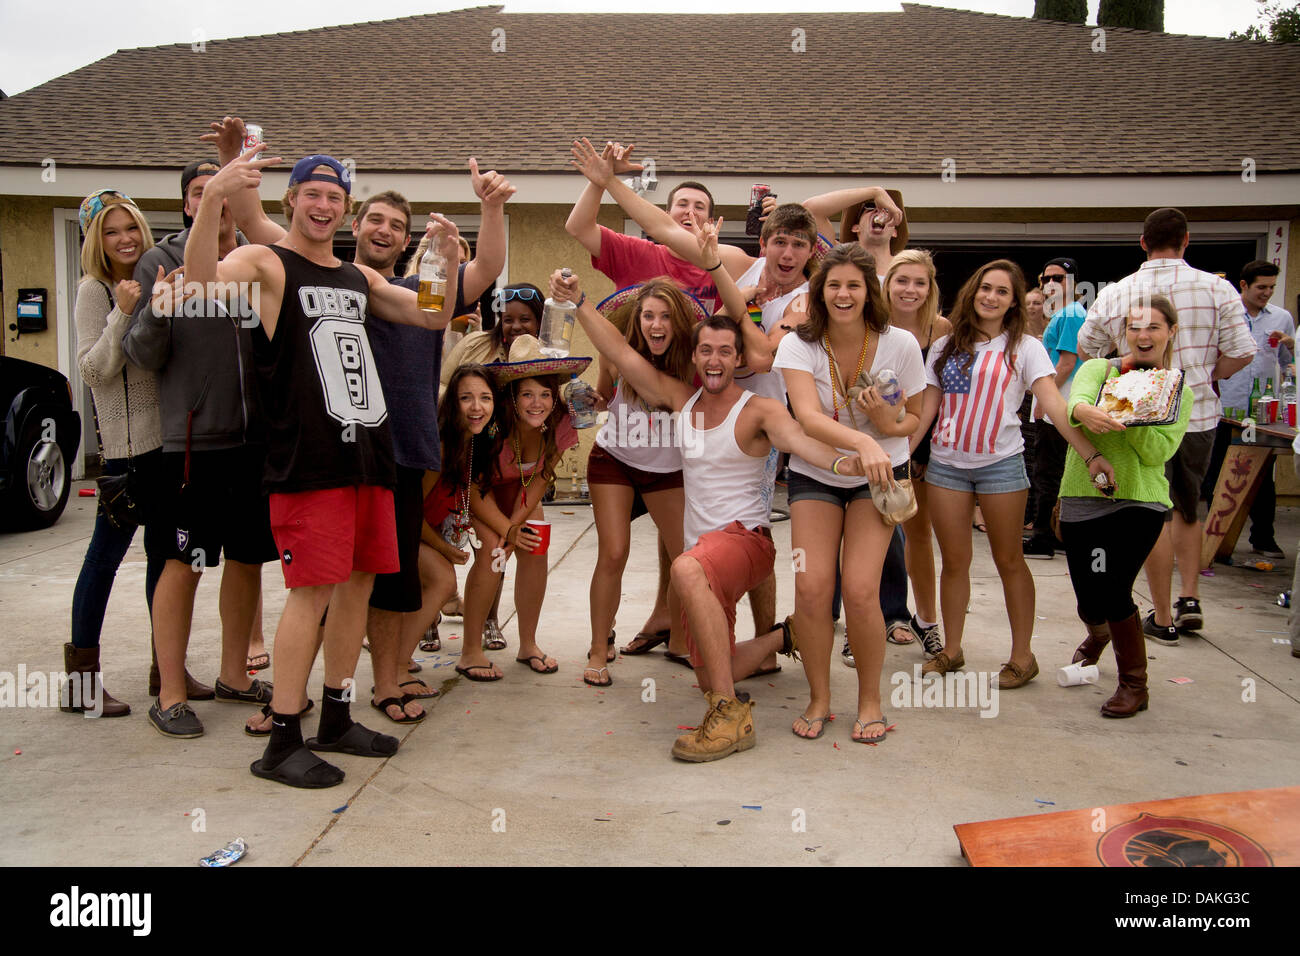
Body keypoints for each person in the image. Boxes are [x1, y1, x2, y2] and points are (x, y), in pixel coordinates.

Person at [185, 145, 460, 788]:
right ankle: (283, 737)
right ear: (292, 200)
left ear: (345, 209)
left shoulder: (356, 278)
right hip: (307, 462)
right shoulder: (267, 263)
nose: (323, 204)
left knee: (359, 586)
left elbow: (431, 313)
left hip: (369, 455)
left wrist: (443, 259)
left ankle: (337, 713)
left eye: (335, 196)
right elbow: (198, 284)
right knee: (310, 595)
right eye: (313, 192)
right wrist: (219, 195)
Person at [560, 265, 883, 760]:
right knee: (713, 670)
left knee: (685, 566)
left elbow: (801, 442)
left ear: (737, 360)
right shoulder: (679, 400)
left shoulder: (759, 410)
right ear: (695, 356)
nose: (714, 359)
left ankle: (730, 719)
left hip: (744, 542)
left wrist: (849, 461)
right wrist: (581, 299)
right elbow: (621, 353)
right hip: (705, 559)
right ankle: (784, 636)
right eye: (706, 350)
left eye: (725, 352)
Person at [566, 138, 793, 661]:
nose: (690, 214)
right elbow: (618, 348)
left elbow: (785, 258)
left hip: (703, 427)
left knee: (705, 538)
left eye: (702, 207)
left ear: (715, 220)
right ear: (661, 216)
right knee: (629, 550)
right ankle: (644, 633)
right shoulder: (643, 253)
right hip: (635, 430)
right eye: (680, 206)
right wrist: (600, 181)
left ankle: (722, 635)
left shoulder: (730, 260)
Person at [122, 159, 278, 739]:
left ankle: (234, 675)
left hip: (255, 442)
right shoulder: (160, 263)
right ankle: (170, 691)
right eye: (202, 192)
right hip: (191, 443)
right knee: (183, 563)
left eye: (226, 191)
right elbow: (140, 354)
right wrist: (159, 313)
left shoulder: (258, 263)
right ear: (190, 204)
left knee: (245, 561)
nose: (213, 200)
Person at [914, 259, 1115, 689]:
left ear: (1012, 302)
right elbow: (926, 411)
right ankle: (951, 649)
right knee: (954, 562)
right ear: (972, 291)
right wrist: (897, 457)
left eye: (1002, 292)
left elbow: (1054, 407)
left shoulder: (1025, 347)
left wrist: (1090, 454)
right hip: (947, 466)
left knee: (1009, 561)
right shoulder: (945, 346)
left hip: (1002, 466)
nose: (991, 297)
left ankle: (1023, 656)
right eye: (985, 288)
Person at [1078, 208, 1254, 643]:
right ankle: (1189, 598)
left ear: (1142, 242)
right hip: (1193, 416)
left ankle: (1161, 614)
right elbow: (1243, 351)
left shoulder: (1120, 291)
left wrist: (1117, 369)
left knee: (1151, 507)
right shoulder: (1218, 288)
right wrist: (1204, 375)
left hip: (1128, 416)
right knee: (1189, 507)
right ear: (1186, 241)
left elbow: (1087, 348)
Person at [773, 243, 923, 741]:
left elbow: (916, 417)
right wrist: (863, 438)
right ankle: (818, 697)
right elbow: (809, 417)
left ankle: (870, 700)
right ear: (819, 292)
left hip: (880, 479)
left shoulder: (899, 343)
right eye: (833, 285)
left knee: (860, 590)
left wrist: (885, 423)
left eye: (853, 285)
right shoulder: (798, 343)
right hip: (817, 472)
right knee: (811, 588)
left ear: (868, 291)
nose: (843, 294)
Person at [1060, 295, 1192, 717]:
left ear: (1170, 332)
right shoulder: (1100, 369)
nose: (1143, 335)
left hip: (1140, 500)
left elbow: (1157, 454)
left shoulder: (1176, 389)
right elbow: (1074, 405)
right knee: (1088, 596)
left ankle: (1134, 684)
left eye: (1154, 326)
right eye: (1135, 327)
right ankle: (1098, 633)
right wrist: (1087, 409)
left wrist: (1134, 410)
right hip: (1083, 493)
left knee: (1115, 587)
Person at [68, 189, 164, 717]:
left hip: (163, 447)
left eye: (130, 227)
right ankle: (81, 686)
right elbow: (92, 371)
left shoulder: (152, 283)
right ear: (95, 240)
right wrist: (120, 315)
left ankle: (164, 670)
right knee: (103, 561)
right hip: (125, 455)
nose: (124, 238)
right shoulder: (94, 291)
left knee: (165, 561)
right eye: (111, 230)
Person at [581, 280, 704, 686]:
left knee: (685, 558)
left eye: (666, 316)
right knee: (613, 552)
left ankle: (683, 642)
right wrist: (594, 401)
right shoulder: (617, 358)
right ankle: (600, 647)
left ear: (679, 324)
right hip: (614, 459)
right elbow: (603, 395)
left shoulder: (692, 366)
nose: (657, 324)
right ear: (637, 321)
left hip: (666, 468)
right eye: (649, 315)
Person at [452, 336, 590, 681]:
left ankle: (528, 644)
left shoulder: (560, 420)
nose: (537, 403)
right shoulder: (491, 425)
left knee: (535, 548)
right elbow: (471, 484)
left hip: (521, 494)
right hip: (480, 493)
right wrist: (506, 531)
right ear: (512, 395)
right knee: (493, 555)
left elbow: (541, 476)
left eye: (545, 393)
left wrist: (517, 526)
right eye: (527, 394)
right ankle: (470, 651)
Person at [438, 281, 541, 652]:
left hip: (510, 469)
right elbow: (445, 385)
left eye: (525, 319)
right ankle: (429, 619)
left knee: (506, 545)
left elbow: (550, 411)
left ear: (540, 321)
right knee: (442, 539)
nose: (515, 327)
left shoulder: (545, 358)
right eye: (508, 319)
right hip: (465, 461)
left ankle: (491, 621)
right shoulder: (476, 345)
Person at [407, 364, 508, 715]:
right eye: (466, 398)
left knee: (495, 549)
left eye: (485, 398)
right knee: (442, 579)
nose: (477, 407)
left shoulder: (477, 441)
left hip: (435, 527)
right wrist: (445, 548)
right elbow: (408, 514)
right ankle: (396, 666)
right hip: (404, 530)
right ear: (452, 404)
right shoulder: (439, 448)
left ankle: (471, 651)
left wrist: (510, 531)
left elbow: (474, 493)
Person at [880, 249, 951, 656]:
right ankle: (872, 620)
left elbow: (933, 394)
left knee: (917, 534)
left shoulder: (939, 328)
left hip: (919, 439)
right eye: (902, 280)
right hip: (877, 438)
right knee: (873, 533)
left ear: (930, 287)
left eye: (919, 282)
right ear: (887, 284)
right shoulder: (872, 323)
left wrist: (908, 443)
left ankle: (927, 620)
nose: (910, 290)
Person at [1202, 260, 1295, 560]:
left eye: (1271, 287)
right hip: (1224, 409)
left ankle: (1263, 537)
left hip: (1259, 413)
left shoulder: (1281, 318)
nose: (1266, 293)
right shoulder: (1226, 316)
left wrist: (1292, 352)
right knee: (1217, 474)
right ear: (1243, 285)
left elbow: (1286, 364)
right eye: (1261, 287)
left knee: (1260, 475)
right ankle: (1216, 539)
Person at [1024, 257, 1088, 560]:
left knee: (1047, 471)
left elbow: (1066, 363)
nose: (1050, 284)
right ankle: (1054, 532)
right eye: (1045, 278)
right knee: (1055, 471)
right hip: (1059, 401)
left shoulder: (1072, 313)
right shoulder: (1063, 313)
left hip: (1059, 402)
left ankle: (1042, 537)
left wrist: (1042, 399)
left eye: (1058, 279)